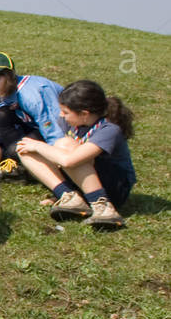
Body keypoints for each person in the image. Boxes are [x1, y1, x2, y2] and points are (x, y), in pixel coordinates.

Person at [15, 80, 135, 229]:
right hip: (85, 177)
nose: (61, 115)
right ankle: (69, 197)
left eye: (65, 112)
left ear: (84, 114)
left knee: (64, 145)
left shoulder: (109, 130)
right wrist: (35, 147)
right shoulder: (69, 122)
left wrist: (39, 145)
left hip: (115, 188)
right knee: (25, 150)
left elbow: (69, 161)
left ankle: (103, 207)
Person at [0, 53, 66, 177]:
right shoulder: (6, 93)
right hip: (36, 127)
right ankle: (22, 167)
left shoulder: (30, 95)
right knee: (5, 120)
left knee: (21, 146)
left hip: (69, 131)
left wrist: (57, 158)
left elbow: (54, 129)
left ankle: (50, 171)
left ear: (9, 76)